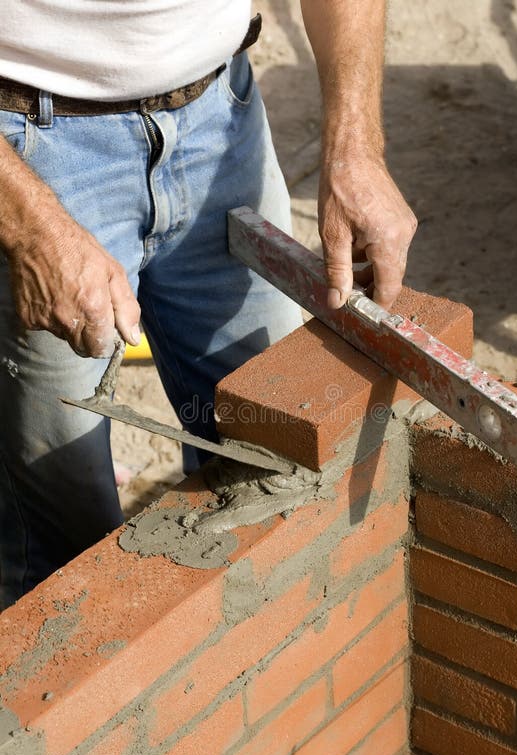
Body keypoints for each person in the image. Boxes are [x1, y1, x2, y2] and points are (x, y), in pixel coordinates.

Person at [0, 1, 416, 608]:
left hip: (220, 120)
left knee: (274, 456)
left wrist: (356, 147)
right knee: (65, 544)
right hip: (30, 149)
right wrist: (28, 229)